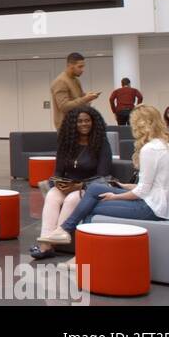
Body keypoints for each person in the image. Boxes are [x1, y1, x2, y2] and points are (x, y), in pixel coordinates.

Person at [39, 105, 169, 245]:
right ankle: (58, 234)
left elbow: (143, 190)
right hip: (156, 202)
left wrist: (116, 196)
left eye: (133, 123)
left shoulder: (150, 149)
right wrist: (124, 186)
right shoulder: (164, 145)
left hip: (151, 206)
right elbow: (151, 185)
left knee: (88, 207)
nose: (132, 127)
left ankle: (68, 238)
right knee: (92, 191)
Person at [29, 106, 112, 260]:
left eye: (87, 120)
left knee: (71, 199)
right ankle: (47, 239)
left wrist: (79, 186)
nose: (84, 124)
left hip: (89, 187)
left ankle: (48, 244)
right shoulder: (66, 142)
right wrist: (58, 183)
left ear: (94, 122)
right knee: (52, 195)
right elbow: (58, 172)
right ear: (73, 124)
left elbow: (103, 177)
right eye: (79, 121)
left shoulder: (101, 143)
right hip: (68, 185)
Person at [50, 52, 101, 130]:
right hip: (67, 127)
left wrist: (88, 96)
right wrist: (86, 99)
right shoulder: (61, 81)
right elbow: (64, 106)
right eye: (80, 67)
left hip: (77, 124)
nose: (82, 70)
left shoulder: (75, 80)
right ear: (70, 66)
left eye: (83, 67)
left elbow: (78, 97)